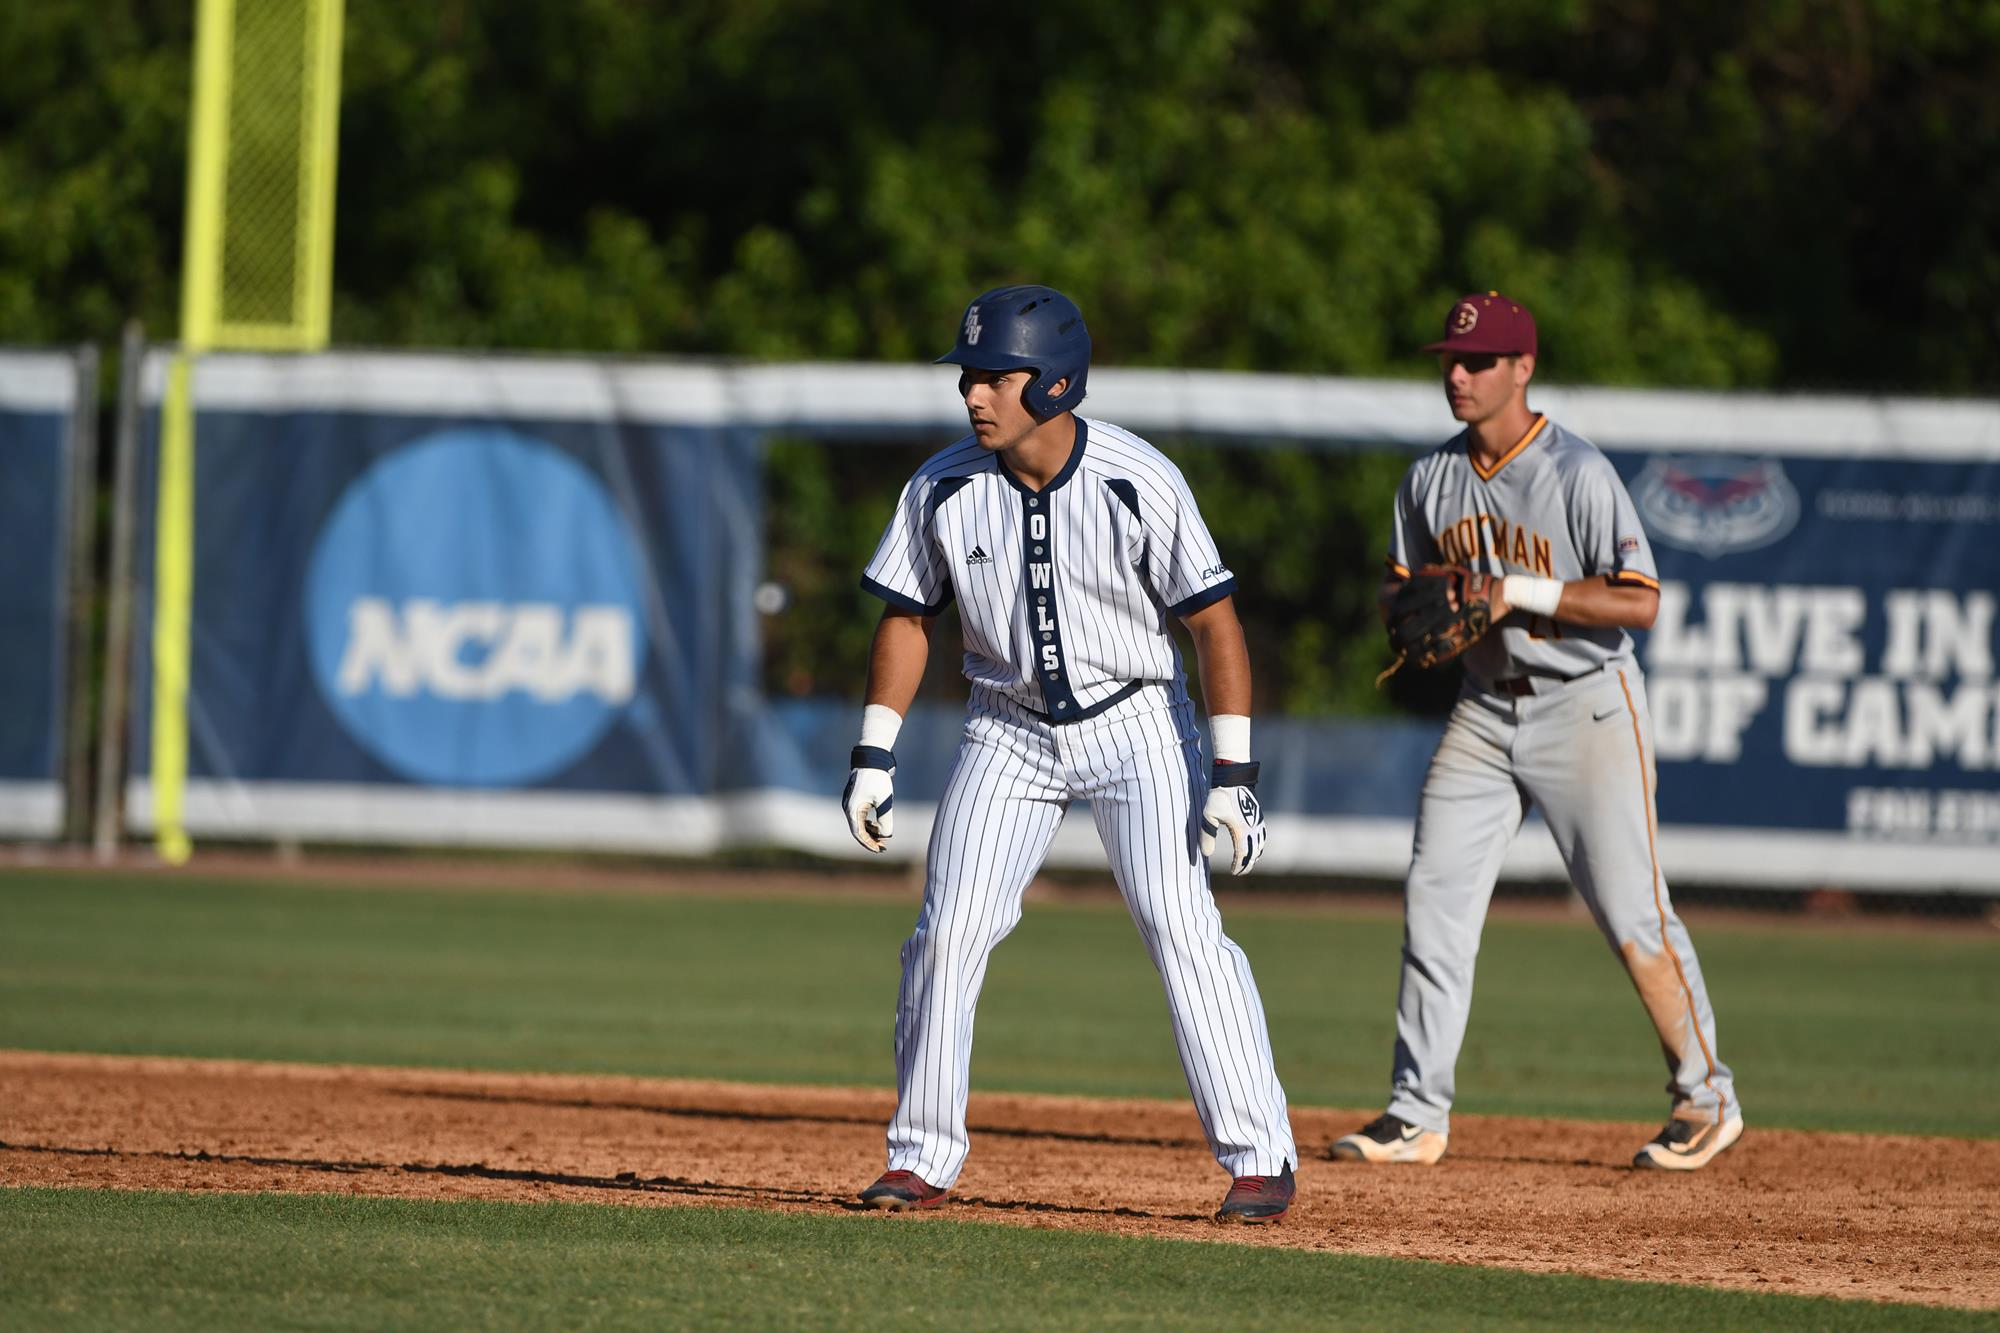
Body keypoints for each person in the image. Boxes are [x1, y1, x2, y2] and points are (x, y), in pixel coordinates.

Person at [842, 284, 1298, 1222]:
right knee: (946, 930)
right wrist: (873, 751)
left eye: (995, 377)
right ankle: (922, 1154)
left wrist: (1237, 775)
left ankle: (1260, 1155)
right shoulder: (941, 484)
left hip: (1137, 723)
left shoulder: (1139, 476)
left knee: (1180, 927)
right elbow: (907, 616)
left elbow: (1213, 623)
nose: (974, 395)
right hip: (1007, 727)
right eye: (968, 377)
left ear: (1054, 384)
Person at [1331, 291, 1743, 1171]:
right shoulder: (1429, 479)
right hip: (1484, 710)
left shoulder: (1575, 473)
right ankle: (1417, 1111)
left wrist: (1513, 591)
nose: (1458, 374)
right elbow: (1400, 590)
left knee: (1632, 910)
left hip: (1585, 705)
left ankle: (1707, 1096)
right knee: (1434, 900)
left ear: (1523, 367)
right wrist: (1413, 616)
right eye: (1450, 359)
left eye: (1478, 361)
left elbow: (1641, 600)